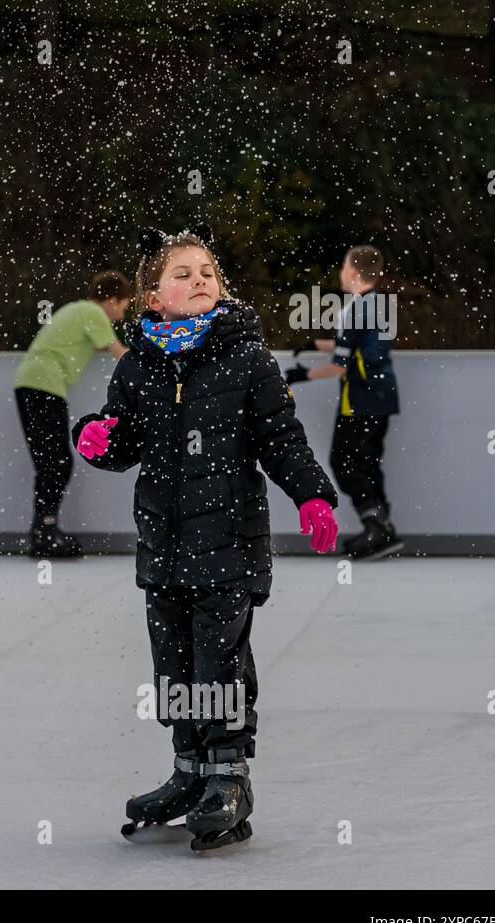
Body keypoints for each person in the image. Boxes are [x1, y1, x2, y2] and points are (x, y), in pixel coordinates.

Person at [72, 224, 339, 852]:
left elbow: (281, 438)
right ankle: (189, 772)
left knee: (219, 664)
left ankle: (228, 777)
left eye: (208, 273)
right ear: (153, 298)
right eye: (183, 274)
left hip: (227, 544)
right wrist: (98, 437)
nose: (199, 280)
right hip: (162, 546)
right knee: (175, 664)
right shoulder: (139, 364)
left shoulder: (247, 359)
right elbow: (124, 436)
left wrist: (313, 495)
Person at [285, 245, 402, 559]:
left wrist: (303, 375)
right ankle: (382, 526)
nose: (340, 272)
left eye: (343, 266)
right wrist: (316, 343)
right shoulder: (378, 304)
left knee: (344, 461)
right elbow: (357, 345)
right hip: (382, 397)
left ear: (352, 271)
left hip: (360, 400)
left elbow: (341, 365)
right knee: (367, 462)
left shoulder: (354, 309)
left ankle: (376, 526)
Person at [13, 271, 131, 558]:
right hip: (44, 386)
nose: (121, 317)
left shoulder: (77, 310)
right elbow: (121, 356)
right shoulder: (93, 313)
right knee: (57, 462)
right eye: (123, 308)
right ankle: (45, 533)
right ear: (112, 301)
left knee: (51, 461)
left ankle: (43, 530)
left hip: (31, 383)